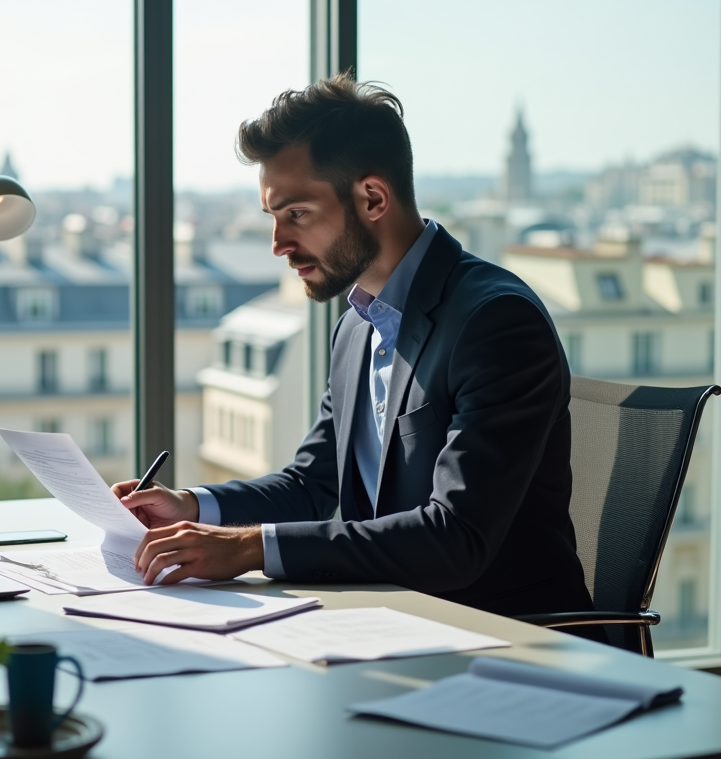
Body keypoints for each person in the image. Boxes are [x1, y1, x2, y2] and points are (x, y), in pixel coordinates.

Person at [112, 73, 594, 621]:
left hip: (509, 643)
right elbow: (311, 485)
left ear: (371, 197)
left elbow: (456, 538)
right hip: (387, 622)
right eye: (274, 217)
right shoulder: (357, 325)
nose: (279, 245)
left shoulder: (495, 321)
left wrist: (248, 549)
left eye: (296, 214)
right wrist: (193, 507)